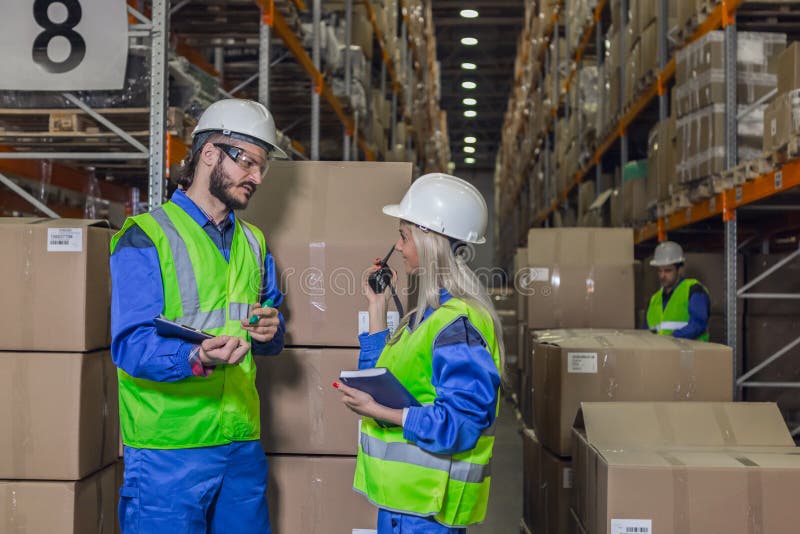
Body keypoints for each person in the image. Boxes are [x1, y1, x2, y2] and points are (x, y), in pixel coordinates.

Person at [110, 98, 288, 533]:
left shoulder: (255, 242)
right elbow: (130, 344)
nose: (257, 177)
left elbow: (271, 328)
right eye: (248, 163)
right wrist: (197, 357)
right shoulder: (146, 236)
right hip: (169, 448)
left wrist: (271, 330)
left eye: (262, 168)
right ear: (210, 153)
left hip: (240, 443)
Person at [334, 173, 504, 533]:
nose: (398, 247)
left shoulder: (457, 325)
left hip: (429, 512)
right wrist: (377, 306)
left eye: (404, 236)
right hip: (403, 505)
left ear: (430, 242)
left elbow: (461, 424)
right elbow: (384, 378)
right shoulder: (428, 314)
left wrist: (379, 411)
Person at [645, 240, 710, 341]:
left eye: (667, 270)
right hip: (662, 350)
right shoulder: (654, 300)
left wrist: (672, 338)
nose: (662, 276)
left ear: (679, 270)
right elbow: (647, 332)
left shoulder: (694, 290)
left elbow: (698, 324)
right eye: (660, 271)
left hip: (690, 350)